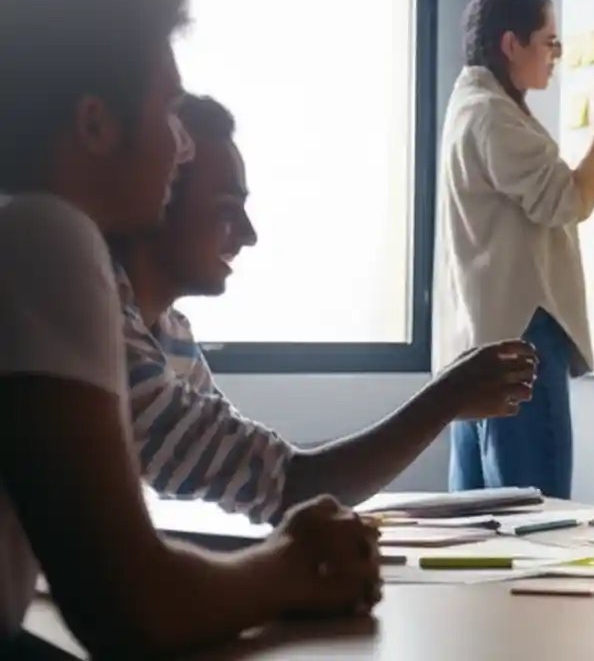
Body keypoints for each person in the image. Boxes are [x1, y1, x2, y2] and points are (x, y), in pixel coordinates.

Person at [0, 0, 378, 656]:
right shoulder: (43, 235)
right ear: (94, 124)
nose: (180, 147)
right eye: (170, 110)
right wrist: (295, 564)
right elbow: (134, 606)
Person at [110, 93, 539, 524]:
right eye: (227, 209)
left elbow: (253, 469)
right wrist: (445, 399)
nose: (249, 234)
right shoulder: (104, 333)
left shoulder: (173, 338)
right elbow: (291, 486)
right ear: (153, 197)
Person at [435, 0, 594, 498]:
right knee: (537, 525)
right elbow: (573, 200)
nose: (555, 57)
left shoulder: (471, 106)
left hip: (480, 345)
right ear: (510, 44)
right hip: (520, 338)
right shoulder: (492, 117)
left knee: (484, 531)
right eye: (549, 42)